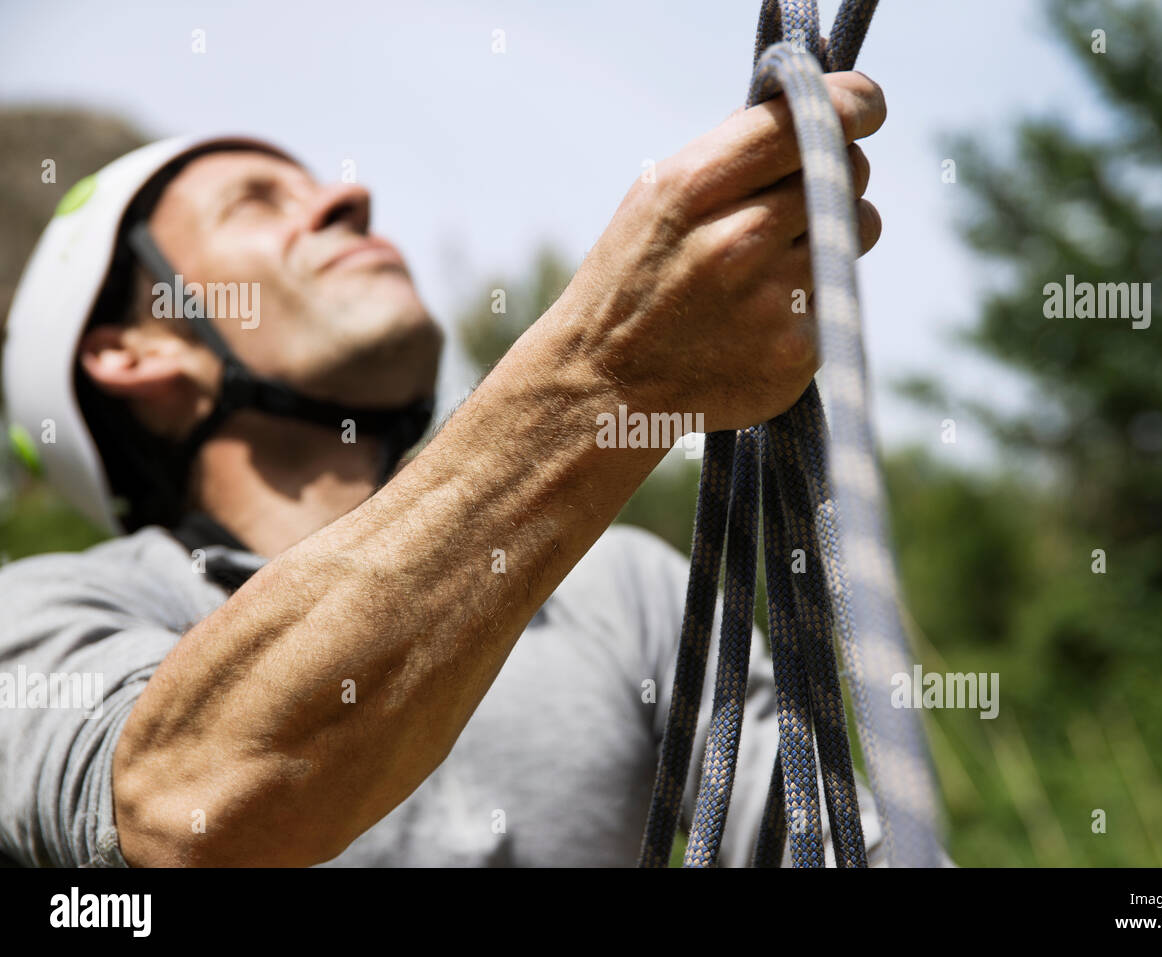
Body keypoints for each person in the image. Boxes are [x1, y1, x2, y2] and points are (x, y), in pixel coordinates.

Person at [0, 70, 888, 867]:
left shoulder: (618, 585)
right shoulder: (43, 614)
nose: (351, 196)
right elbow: (187, 808)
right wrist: (608, 376)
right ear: (134, 352)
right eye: (256, 203)